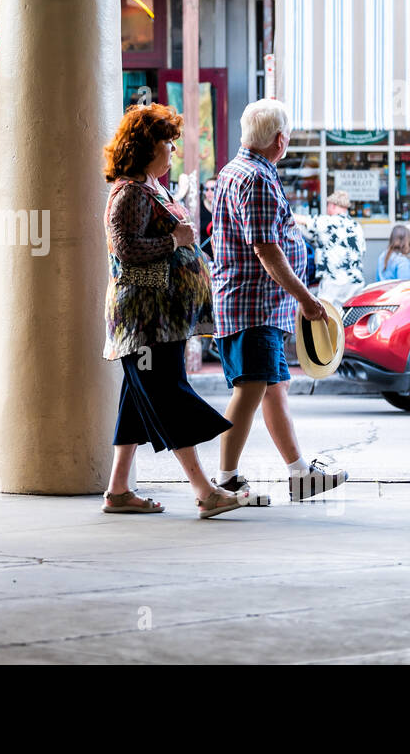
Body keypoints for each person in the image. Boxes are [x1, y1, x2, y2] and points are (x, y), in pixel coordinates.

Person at [101, 103, 249, 519]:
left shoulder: (151, 187)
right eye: (167, 142)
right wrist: (175, 242)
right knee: (168, 395)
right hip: (144, 320)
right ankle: (205, 491)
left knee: (137, 399)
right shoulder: (129, 192)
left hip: (162, 317)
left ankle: (117, 491)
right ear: (146, 146)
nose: (172, 150)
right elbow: (125, 251)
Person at [208, 99, 348, 507]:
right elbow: (267, 249)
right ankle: (226, 482)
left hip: (252, 304)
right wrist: (306, 299)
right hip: (255, 305)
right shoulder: (257, 178)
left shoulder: (236, 171)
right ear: (280, 140)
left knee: (273, 388)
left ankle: (298, 472)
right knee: (252, 389)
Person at [296, 190, 366, 306]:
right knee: (350, 321)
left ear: (332, 205)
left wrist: (283, 211)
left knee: (327, 320)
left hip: (333, 284)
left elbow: (303, 220)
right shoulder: (357, 226)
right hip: (356, 283)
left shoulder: (328, 222)